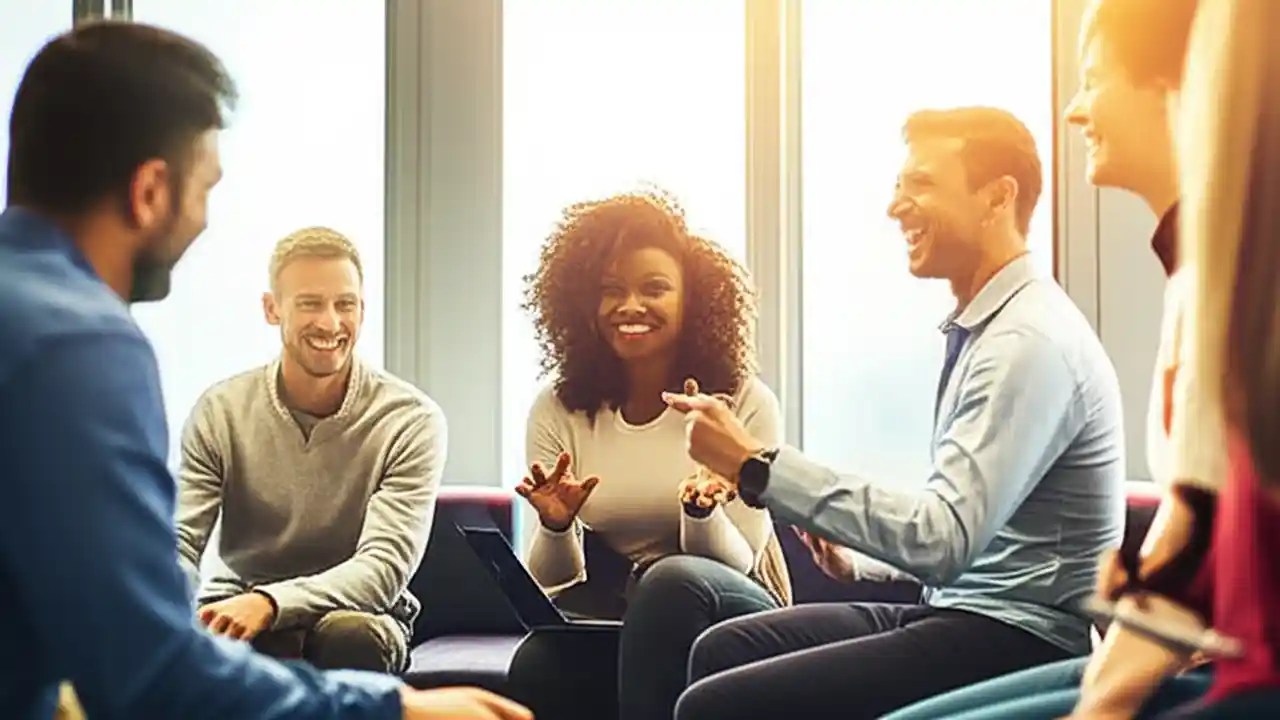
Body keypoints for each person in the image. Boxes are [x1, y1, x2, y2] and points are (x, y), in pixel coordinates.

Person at [0, 21, 529, 720]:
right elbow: (148, 670)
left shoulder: (29, 317)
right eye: (206, 187)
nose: (204, 220)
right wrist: (400, 710)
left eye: (346, 304)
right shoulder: (83, 344)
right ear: (151, 190)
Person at [664, 106, 1127, 720]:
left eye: (923, 184)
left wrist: (757, 466)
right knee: (724, 649)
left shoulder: (1028, 344)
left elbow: (942, 539)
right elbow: (973, 527)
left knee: (714, 706)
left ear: (997, 197)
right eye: (899, 186)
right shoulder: (992, 329)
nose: (896, 206)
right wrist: (858, 560)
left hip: (1022, 639)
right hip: (962, 610)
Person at [884, 1, 1222, 716]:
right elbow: (1191, 516)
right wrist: (1116, 665)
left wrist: (1109, 696)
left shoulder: (1228, 280)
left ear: (1171, 87)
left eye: (1095, 79)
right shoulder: (1193, 273)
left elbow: (1207, 518)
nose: (1074, 110)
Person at [517, 188, 791, 720]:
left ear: (694, 302)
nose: (630, 307)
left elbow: (741, 560)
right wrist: (555, 526)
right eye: (611, 291)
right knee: (540, 661)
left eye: (655, 289)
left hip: (738, 605)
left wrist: (699, 510)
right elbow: (554, 582)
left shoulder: (742, 402)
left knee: (671, 582)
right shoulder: (560, 408)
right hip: (624, 608)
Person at [176, 227, 444, 673]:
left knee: (351, 636)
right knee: (193, 640)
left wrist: (271, 603)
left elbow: (381, 570)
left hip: (361, 613)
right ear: (271, 308)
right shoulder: (220, 410)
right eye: (309, 304)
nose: (330, 323)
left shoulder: (411, 420)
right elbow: (181, 542)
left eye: (345, 304)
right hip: (237, 597)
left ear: (362, 309)